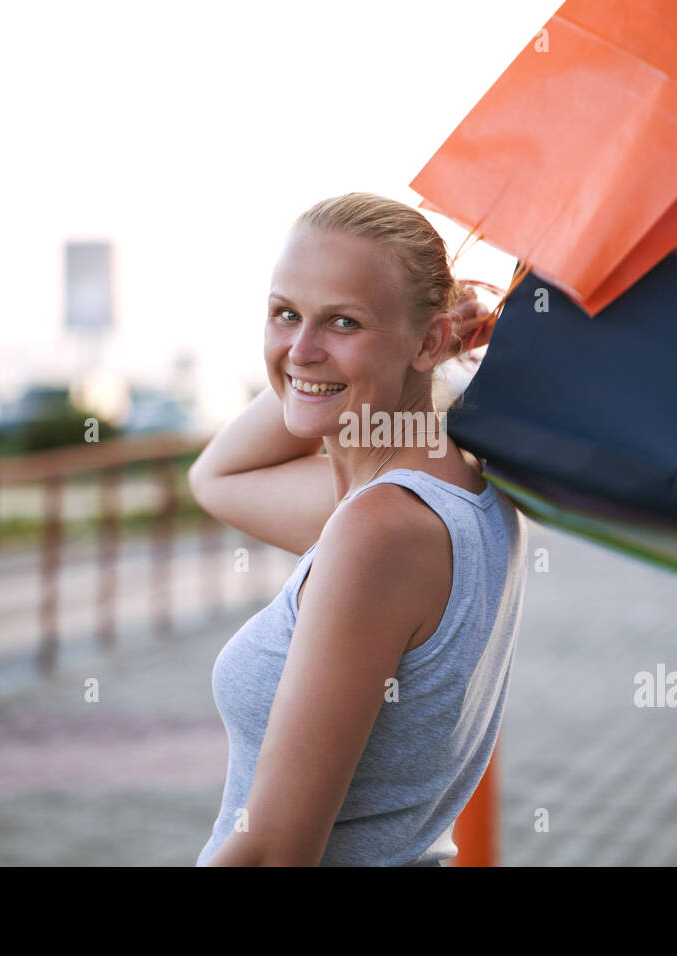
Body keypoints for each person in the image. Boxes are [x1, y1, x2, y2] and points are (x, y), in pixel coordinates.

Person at [189, 192, 529, 866]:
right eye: (285, 314)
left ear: (430, 339)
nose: (302, 347)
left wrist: (308, 370)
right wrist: (311, 368)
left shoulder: (380, 532)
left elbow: (274, 853)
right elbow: (217, 478)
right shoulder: (445, 492)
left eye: (343, 322)